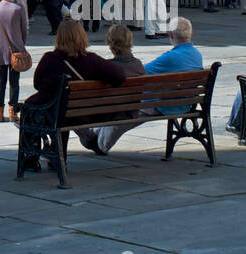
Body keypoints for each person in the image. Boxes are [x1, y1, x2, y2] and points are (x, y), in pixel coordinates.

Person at [22, 18, 126, 162]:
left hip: (55, 116)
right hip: (83, 115)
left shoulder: (50, 59)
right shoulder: (91, 60)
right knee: (63, 107)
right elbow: (119, 76)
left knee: (36, 111)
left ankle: (31, 159)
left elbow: (37, 84)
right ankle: (57, 156)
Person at [92, 24, 148, 153]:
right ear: (130, 42)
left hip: (107, 114)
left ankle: (93, 139)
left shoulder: (106, 68)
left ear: (110, 44)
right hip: (130, 112)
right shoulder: (138, 66)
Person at [144, 18, 203, 114]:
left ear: (171, 34)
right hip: (186, 104)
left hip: (164, 106)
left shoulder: (169, 58)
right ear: (191, 34)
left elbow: (141, 71)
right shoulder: (197, 54)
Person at [0, 0, 27, 121]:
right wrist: (21, 43)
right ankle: (13, 111)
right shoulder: (18, 9)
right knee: (14, 81)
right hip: (16, 48)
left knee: (0, 81)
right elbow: (24, 29)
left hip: (0, 48)